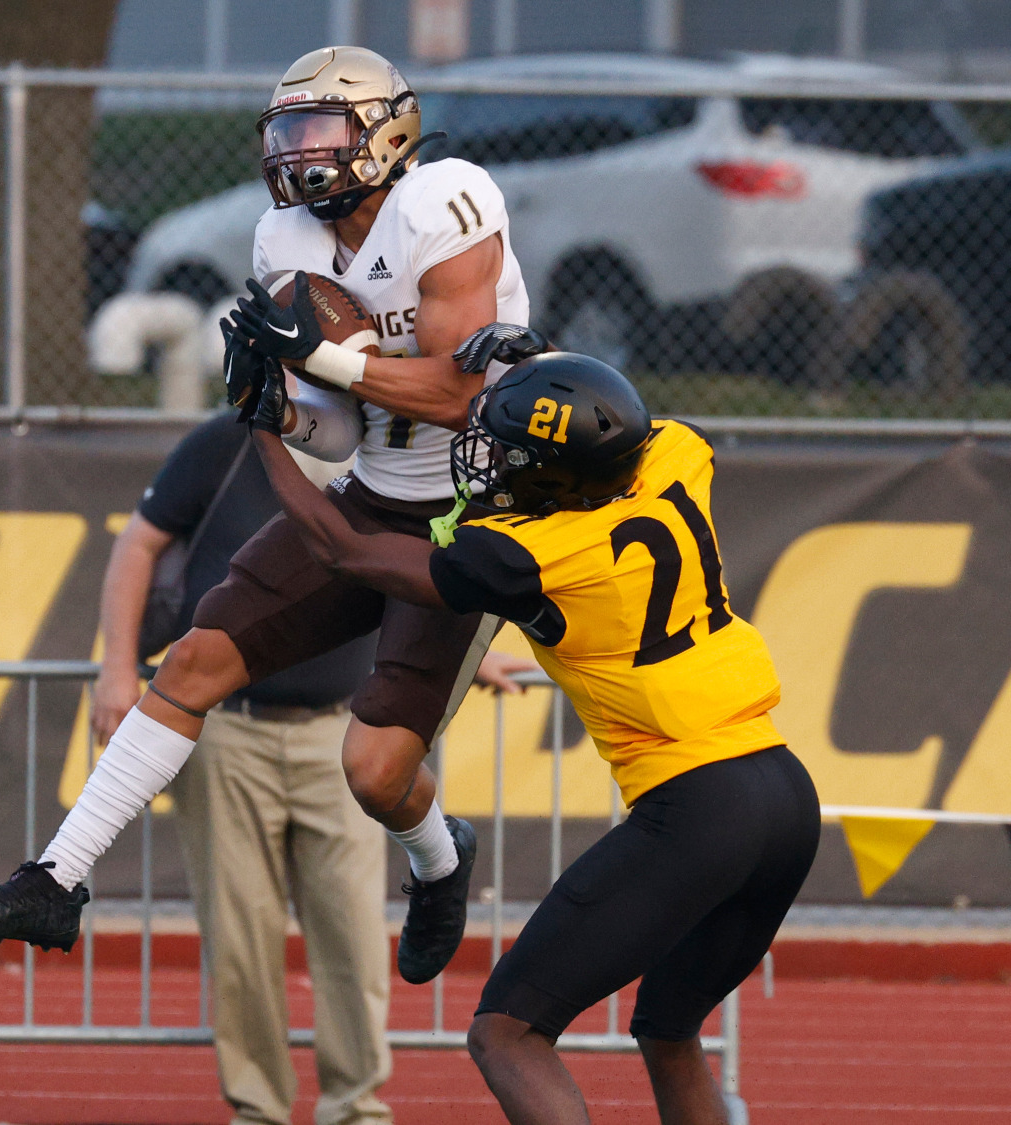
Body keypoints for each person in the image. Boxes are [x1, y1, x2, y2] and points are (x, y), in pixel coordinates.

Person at [0, 43, 532, 987]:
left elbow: (462, 392)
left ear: (388, 132)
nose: (299, 154)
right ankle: (57, 876)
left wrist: (329, 360)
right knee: (195, 657)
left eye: (321, 131)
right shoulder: (286, 238)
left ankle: (439, 858)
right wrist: (282, 407)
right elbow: (336, 434)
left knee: (375, 770)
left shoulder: (445, 202)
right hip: (373, 489)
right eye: (287, 133)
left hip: (471, 505)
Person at [236, 335, 822, 1125]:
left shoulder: (529, 553)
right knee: (670, 1029)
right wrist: (544, 356)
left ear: (552, 477)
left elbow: (342, 551)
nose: (491, 463)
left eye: (509, 454)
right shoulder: (675, 460)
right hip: (784, 792)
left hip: (698, 808)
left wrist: (263, 426)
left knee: (507, 1032)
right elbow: (614, 419)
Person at [87, 410, 535, 1125]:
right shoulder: (221, 443)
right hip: (230, 729)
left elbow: (432, 566)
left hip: (343, 731)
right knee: (239, 940)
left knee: (355, 934)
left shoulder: (399, 449)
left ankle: (356, 1108)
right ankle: (258, 1109)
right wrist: (115, 668)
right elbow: (139, 544)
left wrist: (469, 650)